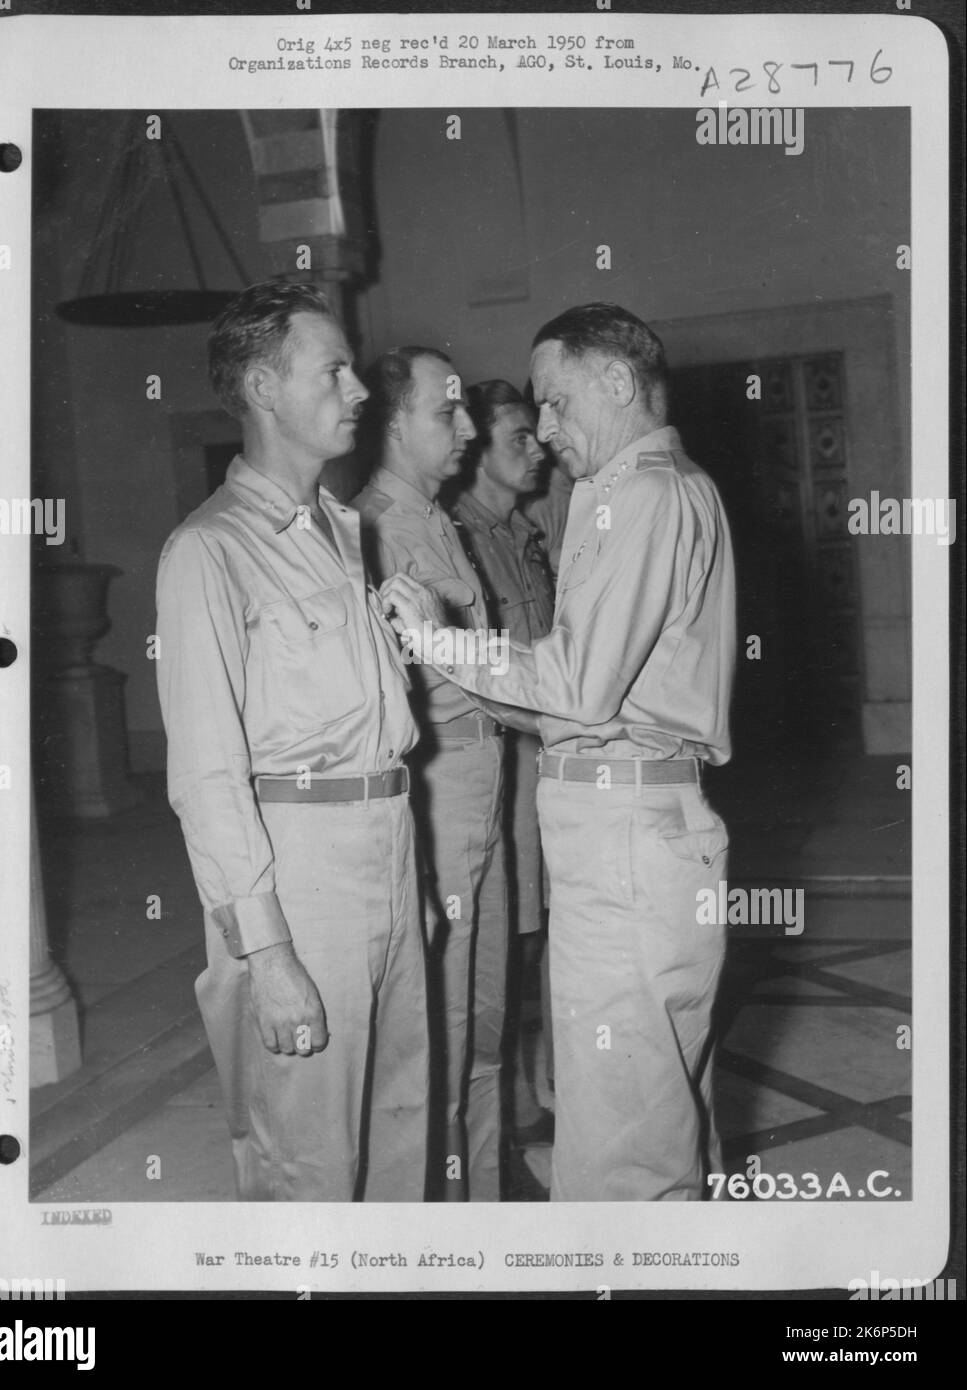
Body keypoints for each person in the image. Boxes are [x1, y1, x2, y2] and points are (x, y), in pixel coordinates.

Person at [382, 303, 736, 1202]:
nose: (543, 427)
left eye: (554, 400)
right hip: (635, 822)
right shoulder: (654, 489)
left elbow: (579, 687)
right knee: (655, 1112)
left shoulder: (642, 493)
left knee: (623, 1150)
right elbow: (588, 699)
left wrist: (440, 643)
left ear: (617, 383)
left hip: (622, 836)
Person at [154, 279, 428, 1202]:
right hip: (296, 868)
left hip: (389, 843)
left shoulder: (342, 532)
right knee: (304, 1159)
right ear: (265, 389)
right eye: (335, 370)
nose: (359, 391)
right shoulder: (210, 549)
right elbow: (204, 774)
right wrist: (266, 954)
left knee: (398, 1132)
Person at [354, 348, 509, 1201]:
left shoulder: (435, 514)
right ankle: (443, 1229)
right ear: (390, 421)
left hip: (485, 780)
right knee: (440, 1026)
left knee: (485, 1017)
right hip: (442, 789)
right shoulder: (376, 525)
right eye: (446, 413)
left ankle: (488, 1209)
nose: (470, 428)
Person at [449, 381, 556, 1143]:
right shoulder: (458, 538)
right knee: (505, 940)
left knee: (543, 927)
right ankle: (505, 1106)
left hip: (545, 767)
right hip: (502, 768)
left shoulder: (523, 532)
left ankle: (542, 1086)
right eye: (517, 437)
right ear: (477, 448)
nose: (538, 447)